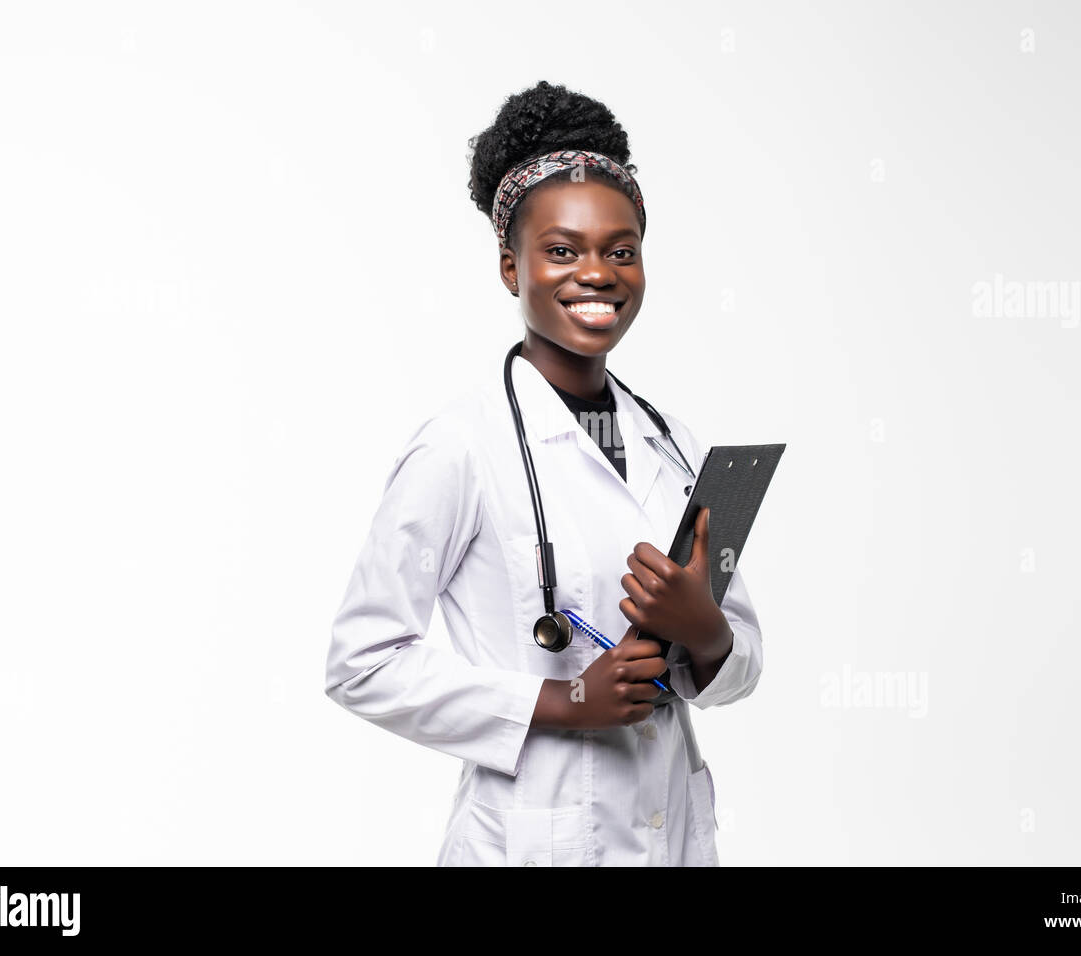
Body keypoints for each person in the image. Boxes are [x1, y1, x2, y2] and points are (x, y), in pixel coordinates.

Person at [324, 80, 764, 866]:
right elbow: (362, 662)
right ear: (509, 267)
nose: (597, 274)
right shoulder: (460, 447)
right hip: (531, 840)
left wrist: (709, 636)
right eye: (561, 250)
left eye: (620, 250)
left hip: (672, 836)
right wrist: (559, 702)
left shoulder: (679, 447)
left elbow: (739, 674)